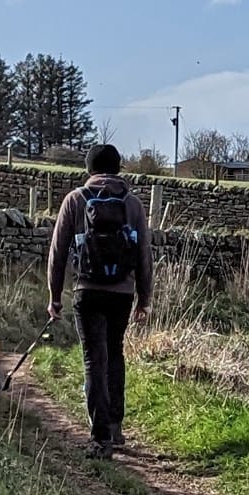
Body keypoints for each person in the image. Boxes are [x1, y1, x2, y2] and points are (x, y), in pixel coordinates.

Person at [46, 144, 153, 458]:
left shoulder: (75, 200)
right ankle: (116, 427)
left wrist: (54, 297)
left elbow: (58, 253)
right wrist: (144, 299)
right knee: (115, 354)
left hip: (87, 291)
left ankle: (100, 437)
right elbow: (145, 255)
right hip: (122, 293)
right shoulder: (132, 204)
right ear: (119, 168)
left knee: (94, 360)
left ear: (89, 168)